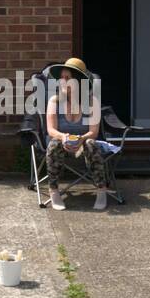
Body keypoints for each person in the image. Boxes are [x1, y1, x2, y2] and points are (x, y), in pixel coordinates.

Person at [44, 57, 111, 211]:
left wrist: (81, 139)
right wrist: (64, 137)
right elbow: (51, 130)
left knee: (91, 143)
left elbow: (93, 132)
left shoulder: (91, 102)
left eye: (67, 78)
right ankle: (54, 191)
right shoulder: (54, 101)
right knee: (54, 142)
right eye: (61, 77)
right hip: (61, 145)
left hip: (84, 146)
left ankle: (101, 190)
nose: (62, 81)